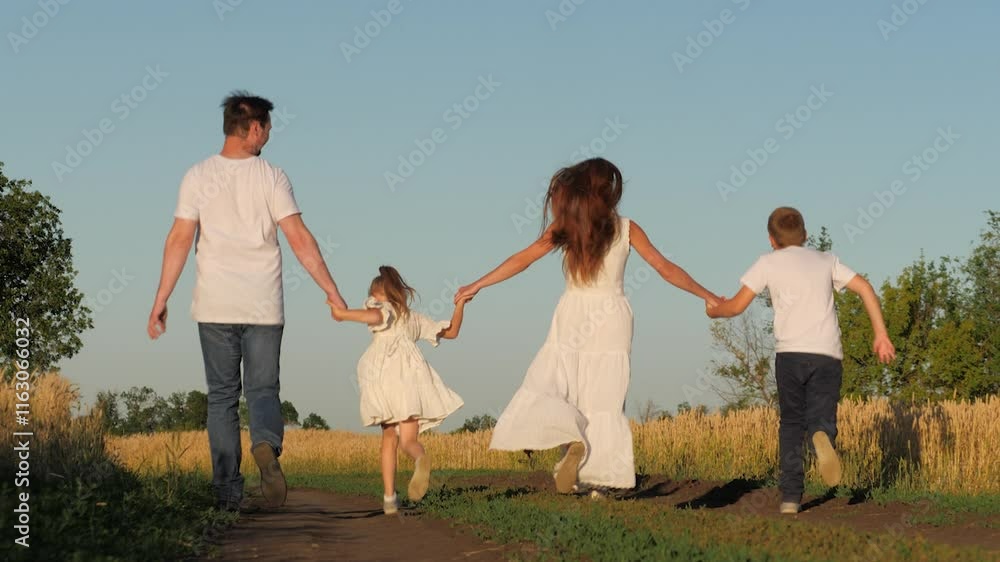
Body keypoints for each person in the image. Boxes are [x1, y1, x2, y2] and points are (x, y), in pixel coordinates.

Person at [454, 158, 721, 494]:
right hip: (612, 315)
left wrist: (477, 284)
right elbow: (664, 268)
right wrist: (707, 295)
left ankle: (571, 443)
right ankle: (599, 483)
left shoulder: (566, 227)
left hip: (573, 312)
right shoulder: (627, 227)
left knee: (559, 385)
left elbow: (522, 259)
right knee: (606, 399)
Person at [146, 91, 348, 511]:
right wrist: (331, 290)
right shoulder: (271, 176)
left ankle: (226, 495)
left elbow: (179, 239)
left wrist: (160, 298)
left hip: (214, 305)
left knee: (221, 398)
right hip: (263, 305)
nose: (270, 135)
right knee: (263, 390)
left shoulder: (197, 175)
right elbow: (299, 239)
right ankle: (265, 443)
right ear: (254, 128)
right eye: (269, 128)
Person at [706, 206, 896, 514]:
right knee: (821, 419)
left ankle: (791, 498)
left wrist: (714, 309)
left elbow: (736, 307)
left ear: (771, 239)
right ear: (805, 236)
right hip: (826, 354)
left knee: (791, 423)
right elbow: (865, 288)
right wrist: (881, 334)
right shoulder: (826, 260)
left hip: (790, 355)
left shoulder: (767, 263)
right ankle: (822, 436)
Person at [329, 265, 467, 514]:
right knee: (409, 440)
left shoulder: (384, 309)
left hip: (385, 379)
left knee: (388, 439)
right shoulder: (414, 318)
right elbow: (453, 332)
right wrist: (460, 304)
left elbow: (375, 317)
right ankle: (419, 458)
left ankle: (390, 498)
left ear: (378, 295)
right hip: (412, 381)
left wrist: (343, 314)